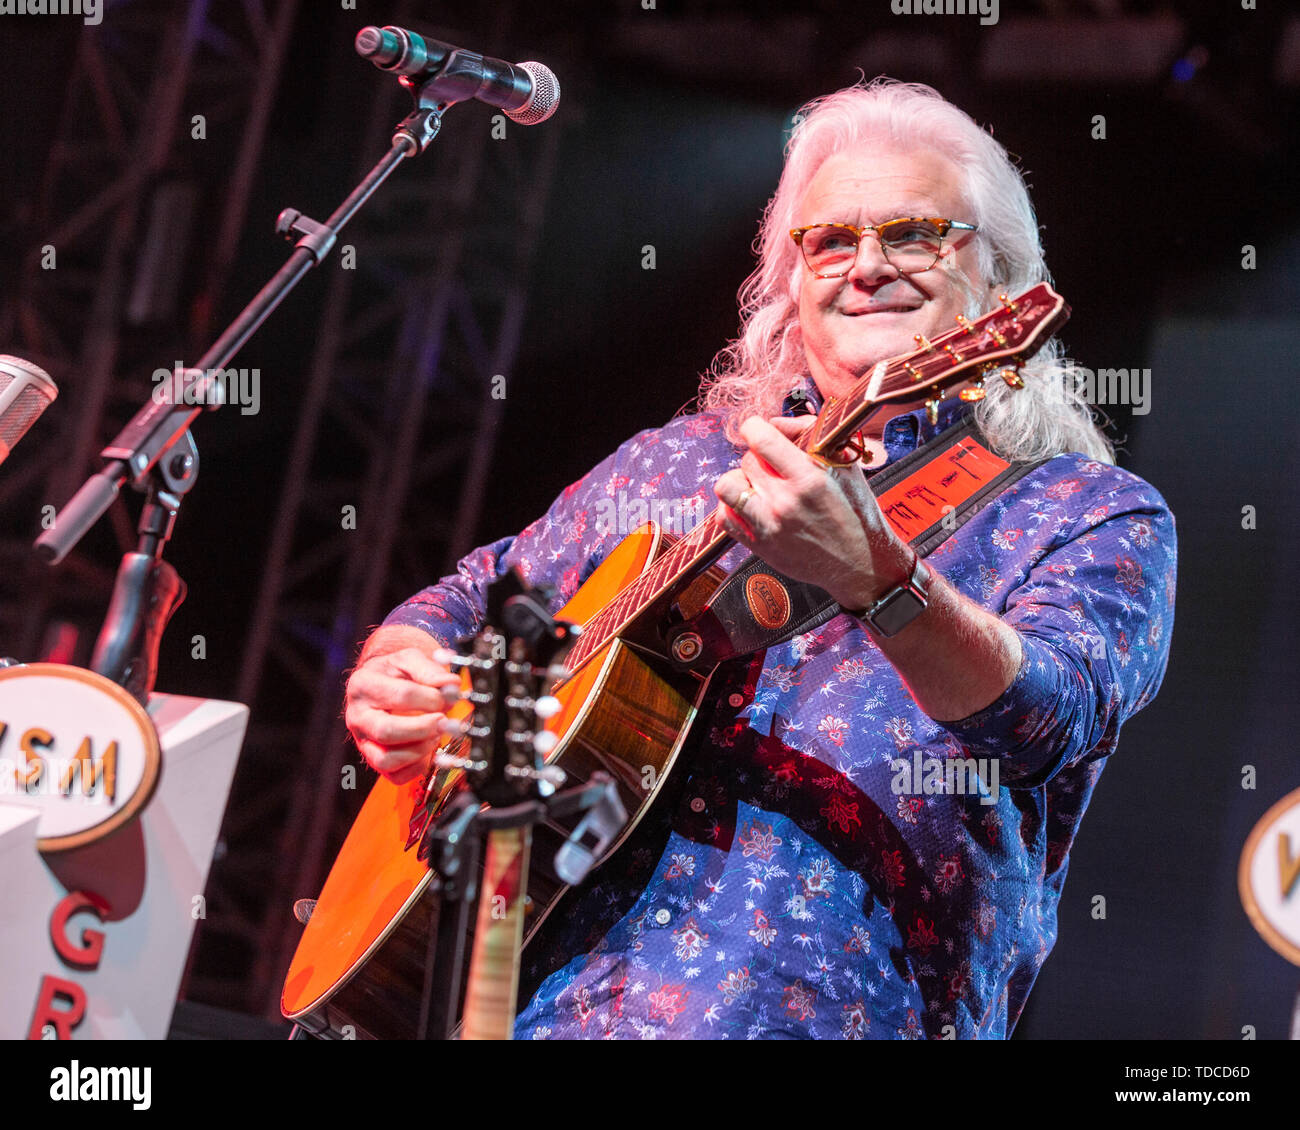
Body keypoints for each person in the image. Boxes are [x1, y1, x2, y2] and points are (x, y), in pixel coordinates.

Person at [343, 78, 1176, 1039]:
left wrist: (880, 579)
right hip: (541, 1005)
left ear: (998, 284)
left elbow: (1045, 724)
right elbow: (475, 594)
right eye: (829, 240)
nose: (866, 268)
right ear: (788, 284)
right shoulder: (681, 461)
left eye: (913, 234)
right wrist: (394, 667)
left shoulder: (1082, 509)